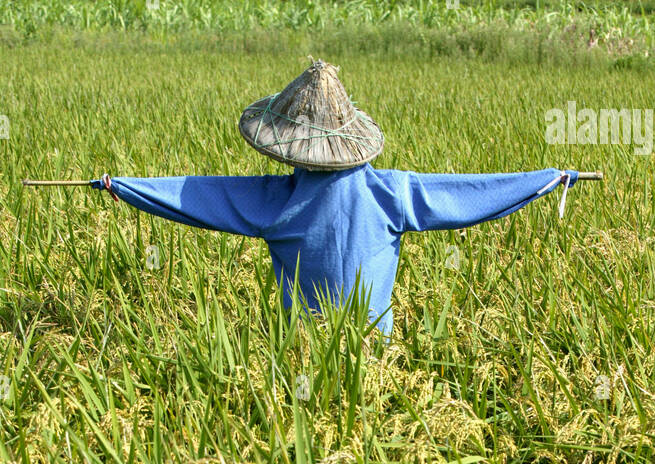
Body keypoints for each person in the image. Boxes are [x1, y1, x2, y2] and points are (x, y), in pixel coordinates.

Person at [92, 59, 579, 336]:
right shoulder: (394, 193)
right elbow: (472, 193)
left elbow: (197, 194)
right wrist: (546, 179)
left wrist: (124, 188)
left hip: (302, 344)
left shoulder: (273, 201)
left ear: (291, 148)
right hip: (375, 347)